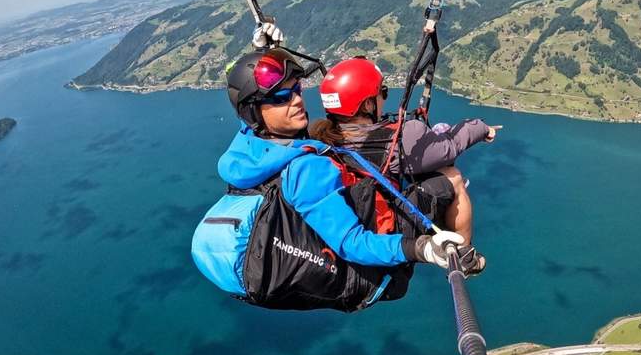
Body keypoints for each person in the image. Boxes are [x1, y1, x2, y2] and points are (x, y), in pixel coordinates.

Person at [191, 47, 474, 312]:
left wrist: (265, 48)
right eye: (281, 98)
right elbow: (352, 243)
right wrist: (421, 248)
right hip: (373, 279)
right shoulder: (307, 171)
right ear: (254, 110)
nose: (297, 100)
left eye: (297, 90)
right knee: (449, 178)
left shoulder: (244, 149)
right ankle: (462, 257)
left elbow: (249, 102)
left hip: (281, 257)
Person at [309, 56, 495, 245]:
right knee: (452, 176)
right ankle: (465, 253)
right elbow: (448, 148)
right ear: (367, 105)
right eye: (383, 92)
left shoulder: (319, 137)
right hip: (383, 232)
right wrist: (482, 128)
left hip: (346, 223)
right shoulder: (397, 140)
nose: (384, 97)